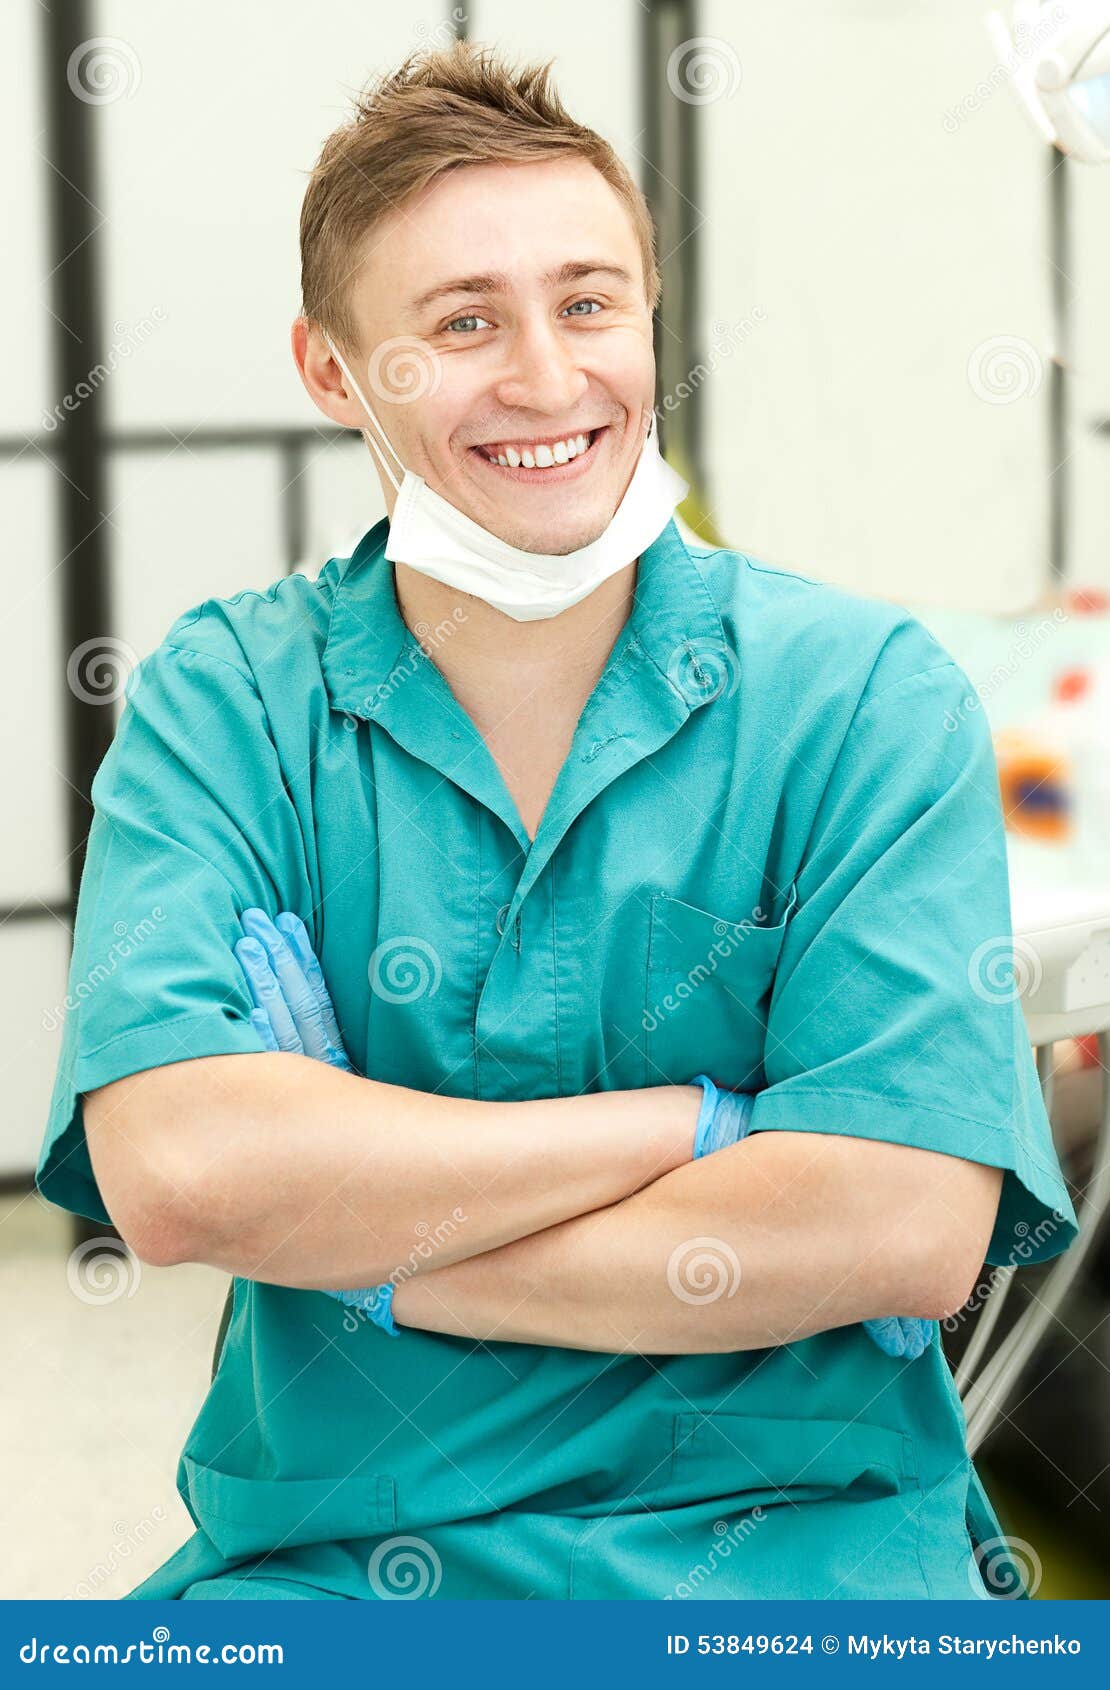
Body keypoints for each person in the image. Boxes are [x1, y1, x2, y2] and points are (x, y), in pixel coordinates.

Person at [36, 41, 1077, 1602]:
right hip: (328, 1567)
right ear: (331, 369)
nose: (544, 377)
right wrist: (699, 1123)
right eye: (463, 323)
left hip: (810, 1562)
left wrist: (381, 1251)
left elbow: (904, 1224)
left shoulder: (861, 698)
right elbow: (181, 1176)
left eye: (589, 303)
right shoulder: (228, 702)